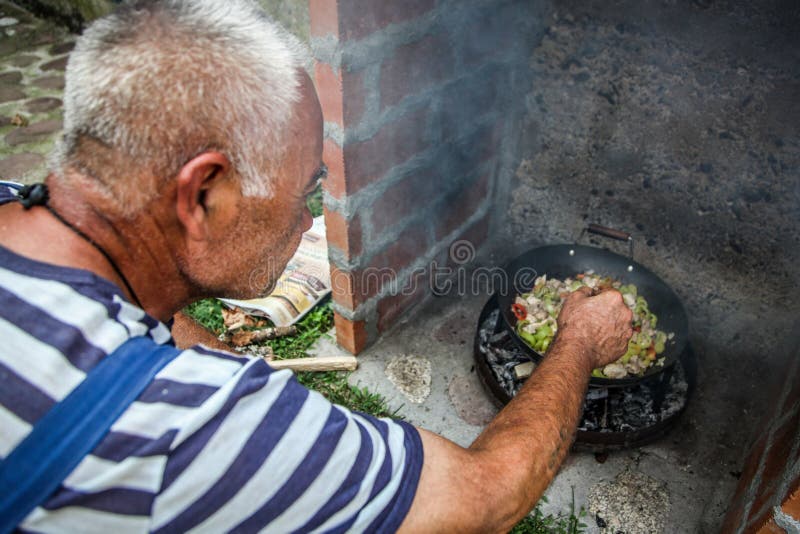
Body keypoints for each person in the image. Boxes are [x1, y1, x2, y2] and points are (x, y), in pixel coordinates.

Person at [0, 0, 632, 532]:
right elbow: (483, 499)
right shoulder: (187, 433)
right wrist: (578, 340)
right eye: (305, 191)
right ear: (202, 195)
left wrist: (221, 360)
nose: (309, 222)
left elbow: (156, 335)